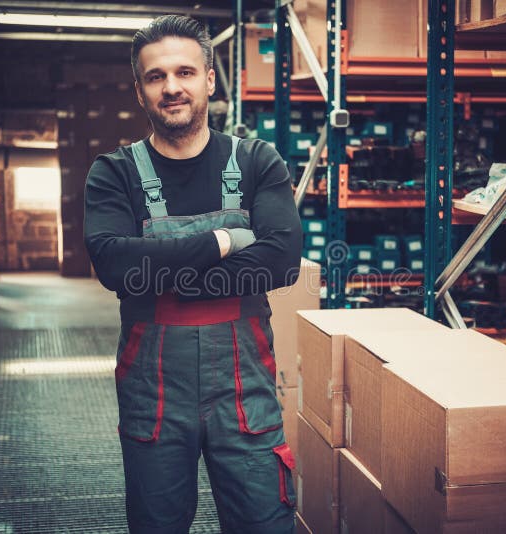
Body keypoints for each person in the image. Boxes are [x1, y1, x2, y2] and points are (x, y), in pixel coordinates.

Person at [84, 14, 302, 534]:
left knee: (264, 524)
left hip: (244, 394)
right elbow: (115, 264)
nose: (171, 87)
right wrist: (222, 242)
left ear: (209, 78)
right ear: (140, 91)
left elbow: (283, 260)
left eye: (184, 72)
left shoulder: (256, 162)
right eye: (156, 76)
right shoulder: (113, 173)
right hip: (154, 396)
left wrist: (160, 272)